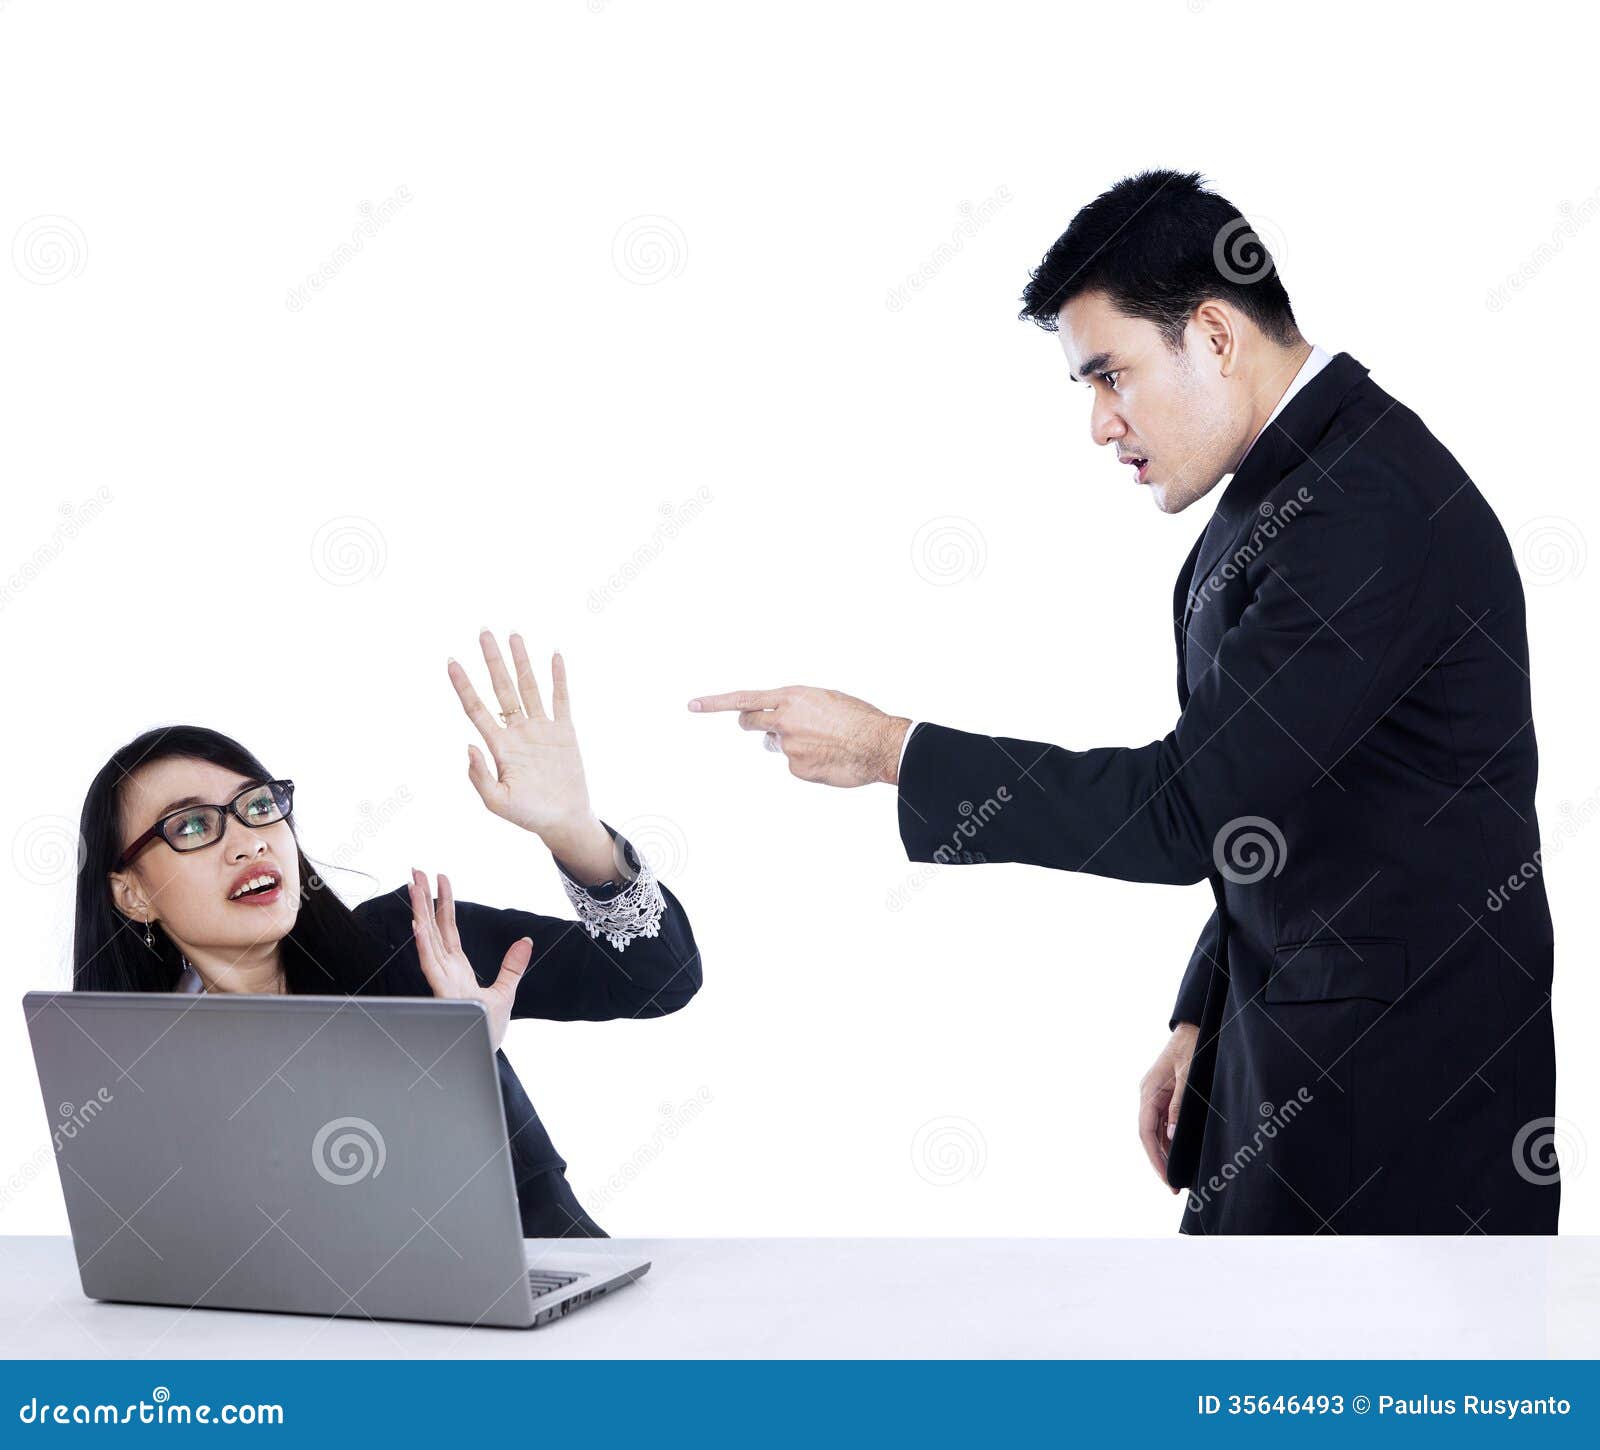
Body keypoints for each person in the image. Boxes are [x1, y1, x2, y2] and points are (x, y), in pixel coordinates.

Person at [689, 169, 1557, 1234]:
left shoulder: (1360, 506)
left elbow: (1190, 805)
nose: (1101, 425)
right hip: (1292, 1053)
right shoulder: (1299, 483)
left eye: (1112, 376)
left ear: (1214, 334)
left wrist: (890, 750)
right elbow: (1284, 796)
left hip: (1392, 1112)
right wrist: (1206, 1011)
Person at [74, 631, 701, 1237]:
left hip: (542, 1331)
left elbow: (656, 978)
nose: (248, 840)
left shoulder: (411, 945)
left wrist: (575, 833)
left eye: (258, 806)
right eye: (190, 826)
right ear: (131, 894)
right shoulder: (135, 1077)